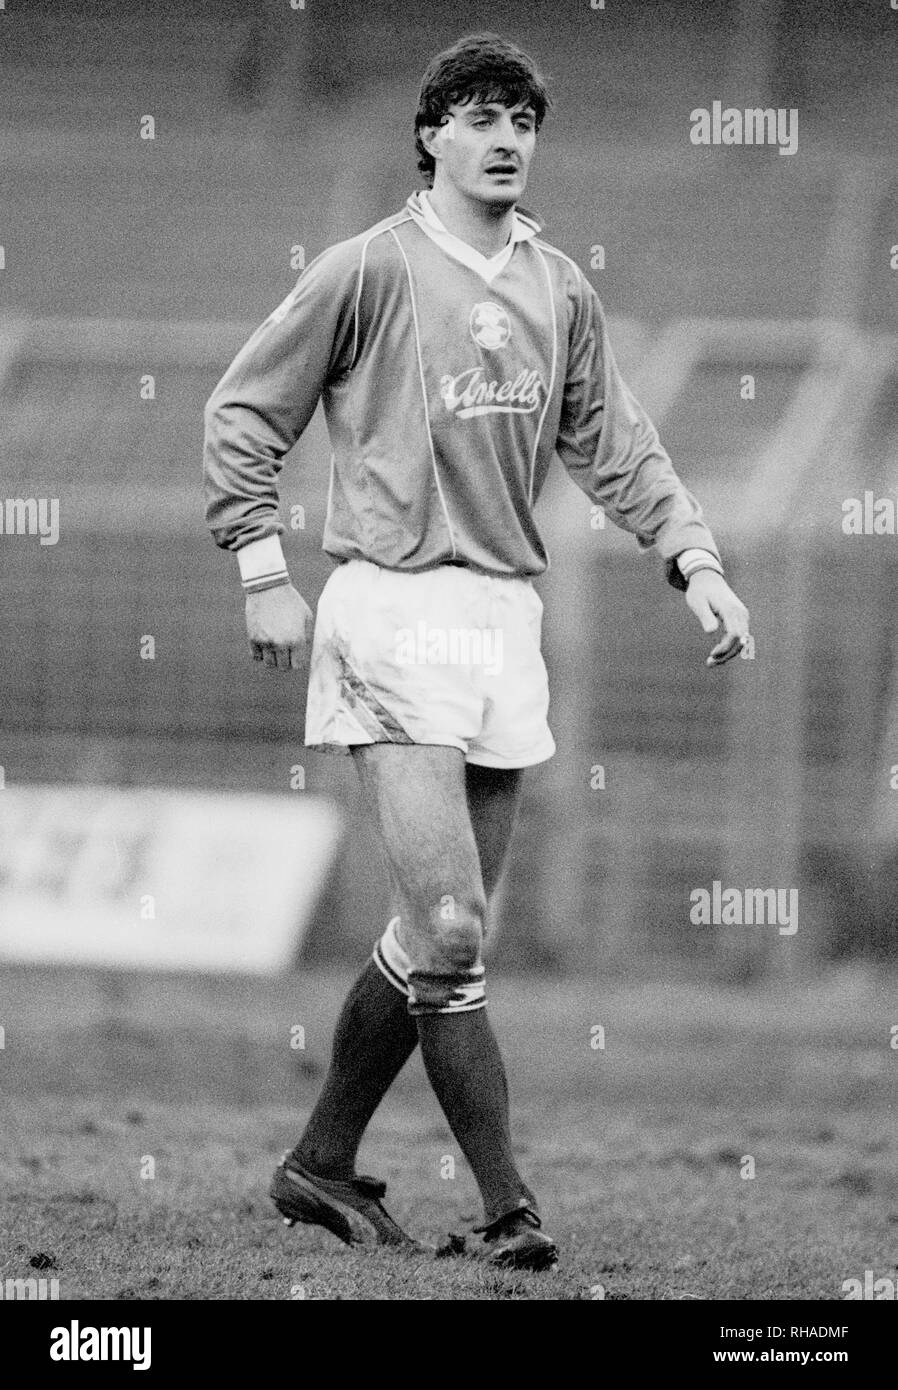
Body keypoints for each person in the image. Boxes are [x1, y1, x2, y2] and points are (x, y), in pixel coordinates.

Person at [203, 32, 750, 1271]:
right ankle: (514, 1209)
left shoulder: (559, 286)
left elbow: (616, 441)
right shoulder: (369, 269)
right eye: (481, 115)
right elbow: (243, 408)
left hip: (504, 625)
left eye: (523, 119)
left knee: (430, 938)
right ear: (432, 134)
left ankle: (319, 1165)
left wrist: (698, 561)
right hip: (389, 612)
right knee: (451, 930)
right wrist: (259, 568)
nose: (506, 138)